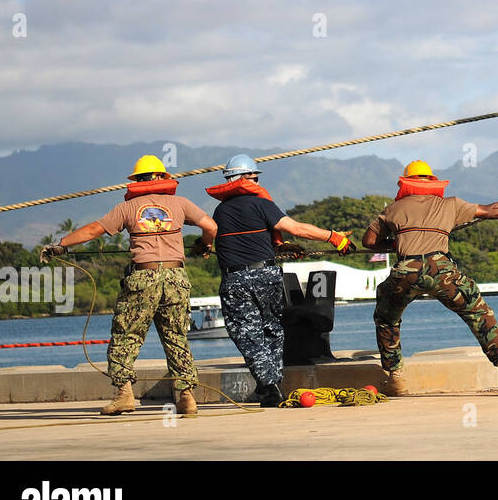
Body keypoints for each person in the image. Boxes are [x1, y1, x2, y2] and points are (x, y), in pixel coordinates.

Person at [39, 154, 216, 417]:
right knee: (176, 336)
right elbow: (211, 226)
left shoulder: (128, 208)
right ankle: (187, 397)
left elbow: (93, 231)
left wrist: (61, 244)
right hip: (176, 278)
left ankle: (124, 395)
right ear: (162, 177)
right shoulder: (180, 203)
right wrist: (206, 243)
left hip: (142, 279)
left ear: (137, 181)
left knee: (126, 336)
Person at [363, 159, 498, 396]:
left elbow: (369, 241)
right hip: (441, 270)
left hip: (406, 270)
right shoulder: (450, 204)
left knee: (386, 318)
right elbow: (491, 211)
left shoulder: (393, 209)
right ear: (433, 182)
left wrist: (396, 242)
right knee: (478, 313)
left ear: (405, 183)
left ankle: (396, 378)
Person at [190, 154, 355, 407]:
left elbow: (223, 237)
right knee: (273, 331)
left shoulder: (220, 211)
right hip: (267, 275)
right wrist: (334, 237)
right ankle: (270, 384)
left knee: (246, 333)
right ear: (245, 178)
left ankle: (268, 385)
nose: (257, 181)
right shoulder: (262, 204)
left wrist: (202, 246)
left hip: (236, 279)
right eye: (254, 177)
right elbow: (296, 228)